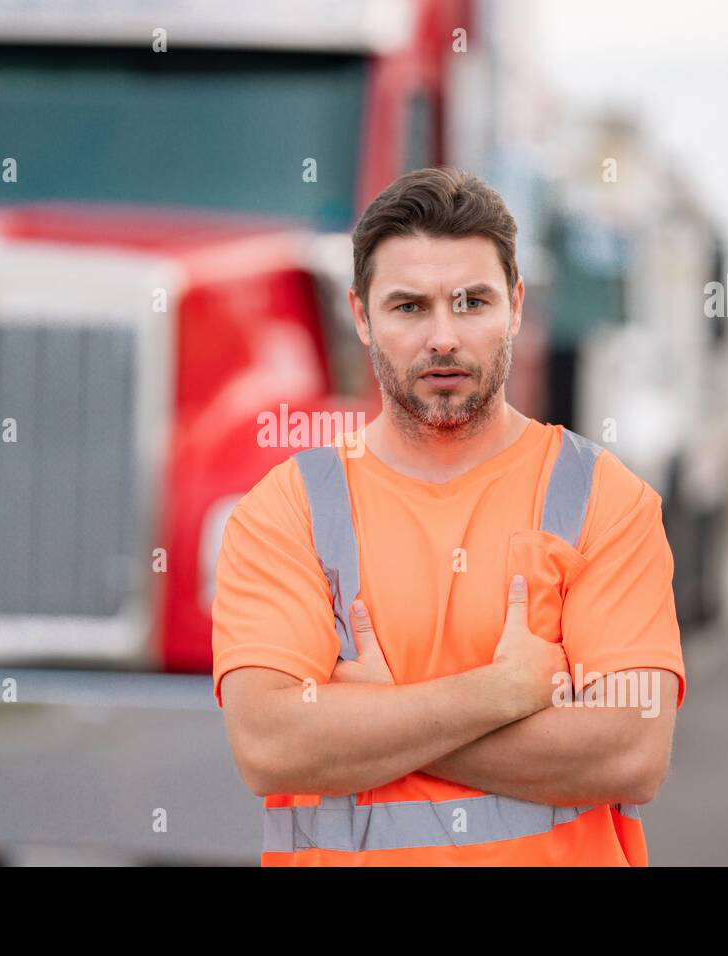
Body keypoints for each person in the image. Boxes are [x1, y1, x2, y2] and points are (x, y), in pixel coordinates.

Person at [211, 167, 685, 866]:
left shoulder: (603, 500)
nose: (443, 337)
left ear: (516, 306)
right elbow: (271, 746)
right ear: (361, 314)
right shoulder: (287, 513)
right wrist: (502, 693)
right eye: (409, 306)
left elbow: (631, 752)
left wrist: (378, 718)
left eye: (472, 303)